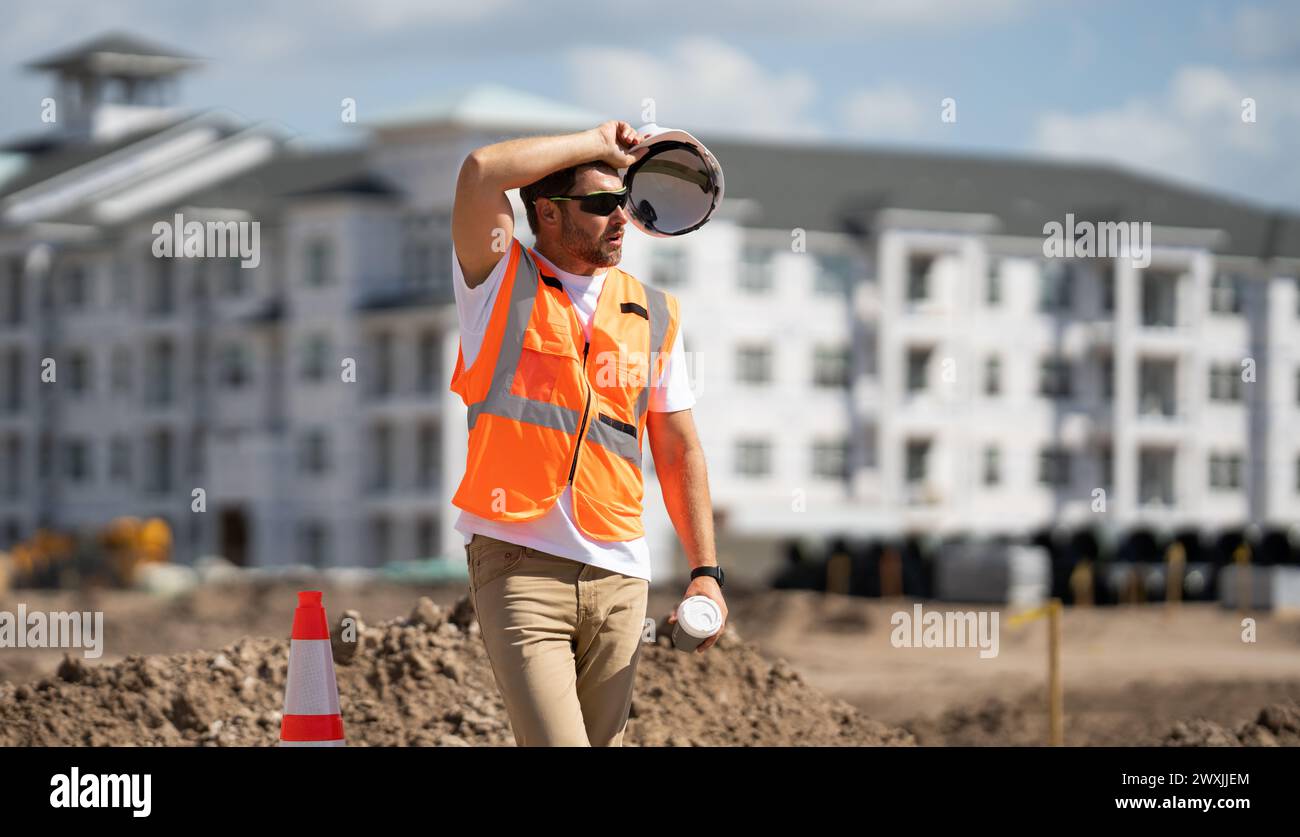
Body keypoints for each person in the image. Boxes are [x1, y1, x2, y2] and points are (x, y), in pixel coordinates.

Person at [449, 119, 728, 746]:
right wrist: (600, 143)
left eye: (624, 201)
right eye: (601, 204)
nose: (621, 217)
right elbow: (480, 171)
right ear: (546, 212)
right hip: (520, 564)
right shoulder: (497, 280)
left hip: (620, 575)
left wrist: (706, 571)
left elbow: (679, 449)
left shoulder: (652, 312)